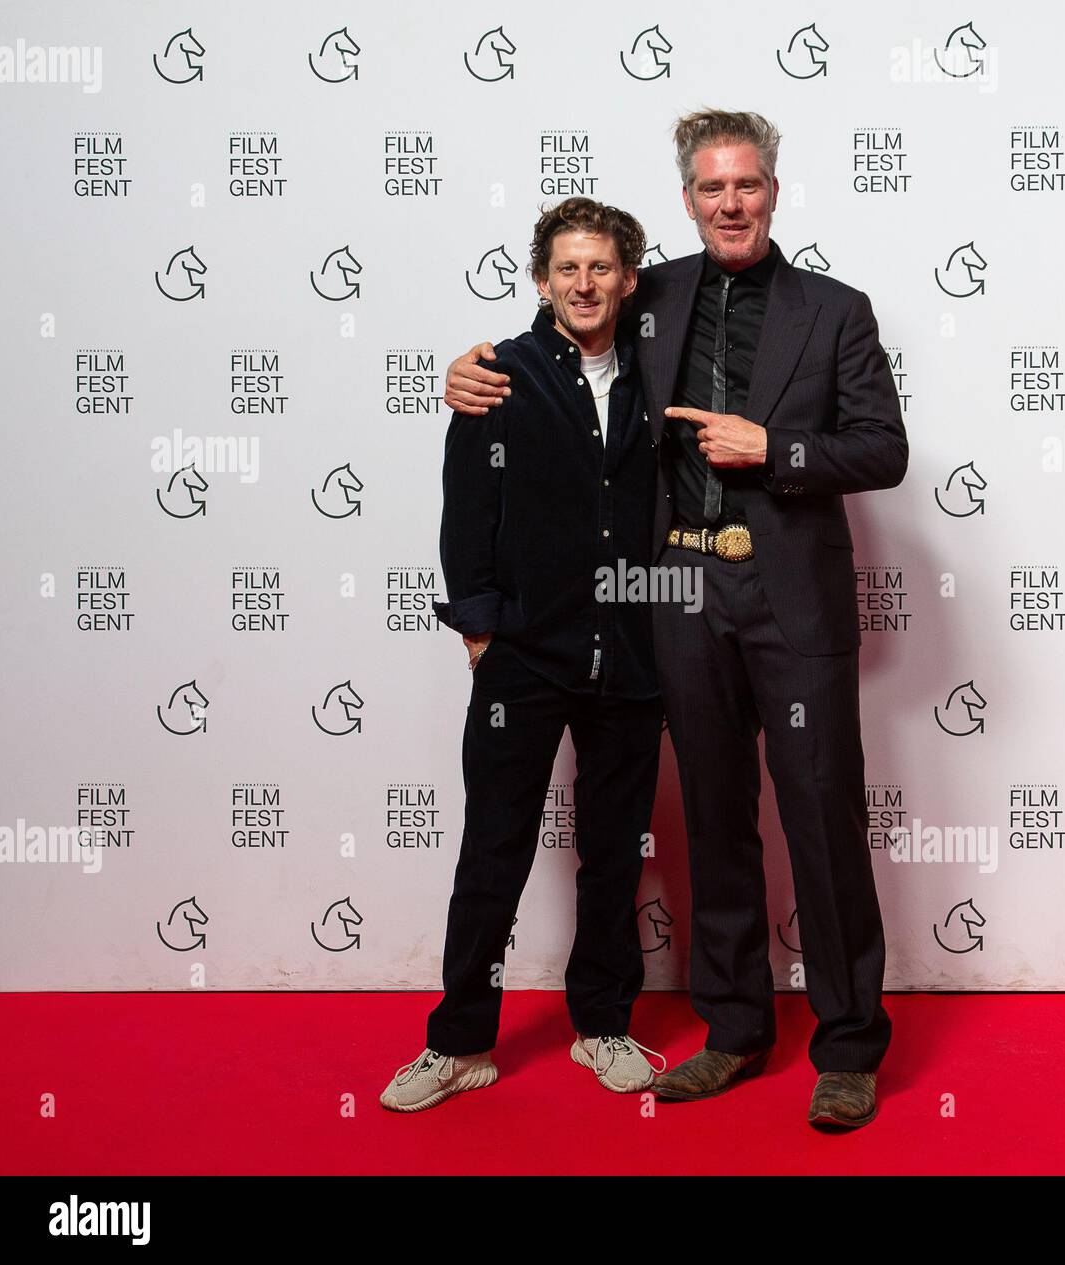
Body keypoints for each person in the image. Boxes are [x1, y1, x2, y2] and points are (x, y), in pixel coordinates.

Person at [444, 110, 908, 1130]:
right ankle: (736, 1028)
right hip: (678, 596)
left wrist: (775, 448)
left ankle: (846, 1044)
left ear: (772, 192)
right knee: (712, 817)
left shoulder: (834, 310)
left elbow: (882, 450)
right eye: (710, 188)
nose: (730, 202)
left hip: (788, 597)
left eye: (746, 185)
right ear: (688, 200)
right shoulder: (650, 297)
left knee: (821, 816)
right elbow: (569, 329)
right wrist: (473, 374)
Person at [380, 197, 667, 1113]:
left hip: (631, 650)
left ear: (629, 278)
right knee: (493, 848)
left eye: (602, 268)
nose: (585, 284)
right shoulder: (498, 375)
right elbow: (466, 509)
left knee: (615, 851)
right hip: (524, 654)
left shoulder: (660, 376)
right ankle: (459, 1041)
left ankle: (603, 1024)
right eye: (567, 268)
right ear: (543, 280)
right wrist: (479, 628)